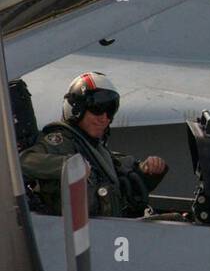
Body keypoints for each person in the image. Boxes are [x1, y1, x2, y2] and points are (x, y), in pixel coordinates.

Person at [20, 73, 167, 218]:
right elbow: (23, 162)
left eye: (109, 111)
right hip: (75, 235)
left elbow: (123, 187)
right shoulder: (61, 142)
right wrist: (70, 166)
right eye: (97, 109)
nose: (104, 118)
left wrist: (147, 171)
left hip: (108, 231)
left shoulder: (97, 151)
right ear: (77, 109)